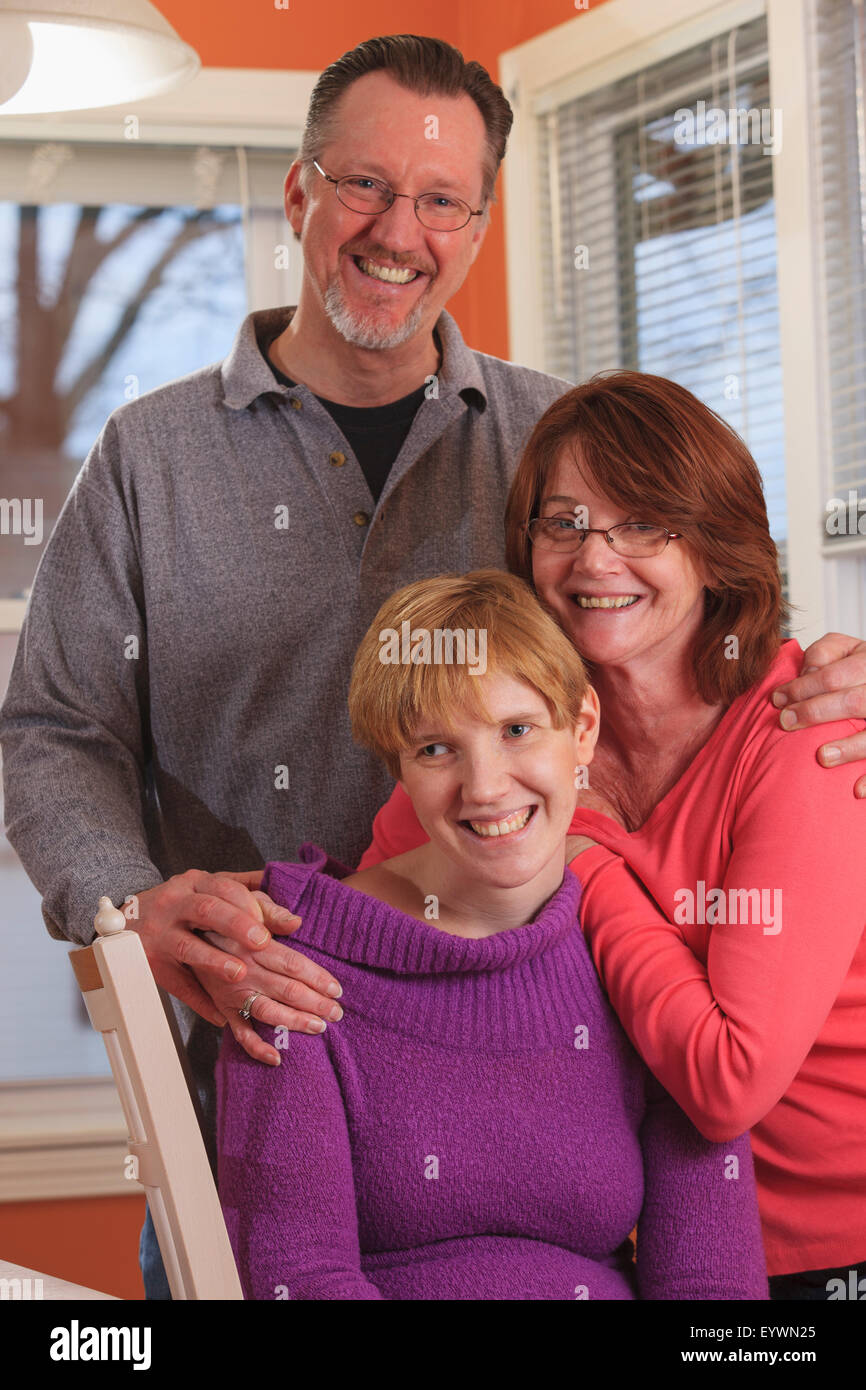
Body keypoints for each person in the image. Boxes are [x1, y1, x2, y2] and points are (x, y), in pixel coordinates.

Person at [0, 35, 862, 1299]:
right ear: (298, 194)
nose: (397, 229)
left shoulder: (550, 447)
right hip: (259, 1056)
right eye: (363, 185)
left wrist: (826, 675)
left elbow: (692, 627)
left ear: (476, 223)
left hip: (551, 1097)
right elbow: (53, 731)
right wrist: (129, 900)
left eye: (440, 197)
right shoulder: (150, 458)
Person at [360, 371, 866, 1300]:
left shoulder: (810, 736)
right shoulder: (503, 763)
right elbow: (368, 947)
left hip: (823, 1254)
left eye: (645, 525)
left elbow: (728, 1082)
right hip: (629, 1249)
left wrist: (585, 864)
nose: (597, 560)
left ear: (716, 551)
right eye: (564, 523)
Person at [216, 569, 769, 1300]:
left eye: (516, 730)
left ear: (582, 729)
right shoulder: (291, 970)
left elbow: (712, 1289)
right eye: (435, 749)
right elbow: (298, 1278)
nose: (485, 787)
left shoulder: (635, 963)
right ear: (400, 772)